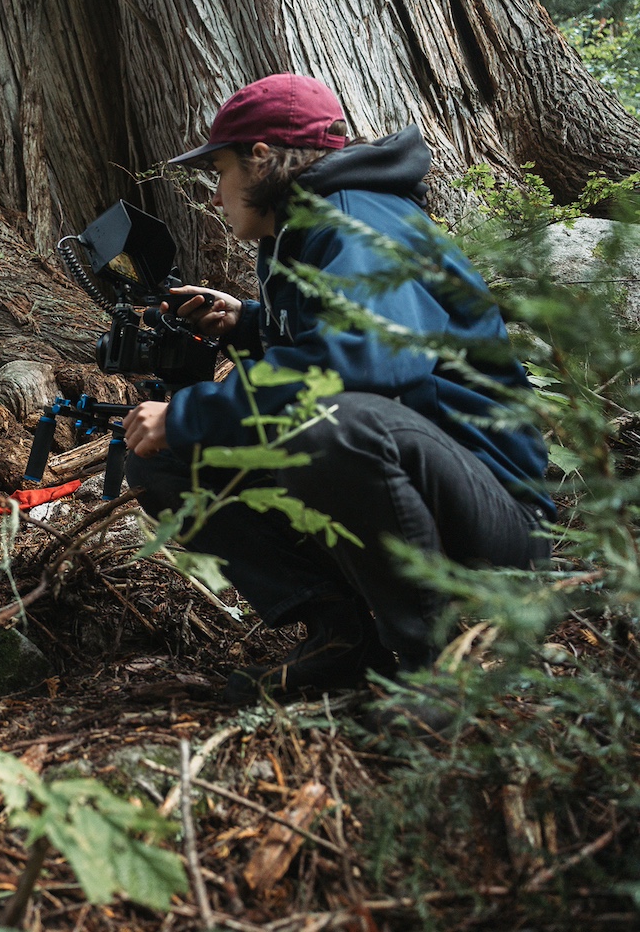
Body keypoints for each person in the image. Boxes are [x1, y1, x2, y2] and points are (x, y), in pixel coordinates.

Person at [123, 74, 553, 703]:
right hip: (416, 491)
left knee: (329, 423)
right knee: (163, 464)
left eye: (219, 170)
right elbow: (340, 334)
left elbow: (371, 358)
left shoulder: (354, 216)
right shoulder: (299, 228)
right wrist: (249, 322)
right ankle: (341, 637)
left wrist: (190, 413)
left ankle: (435, 670)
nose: (216, 194)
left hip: (495, 521)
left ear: (262, 157)